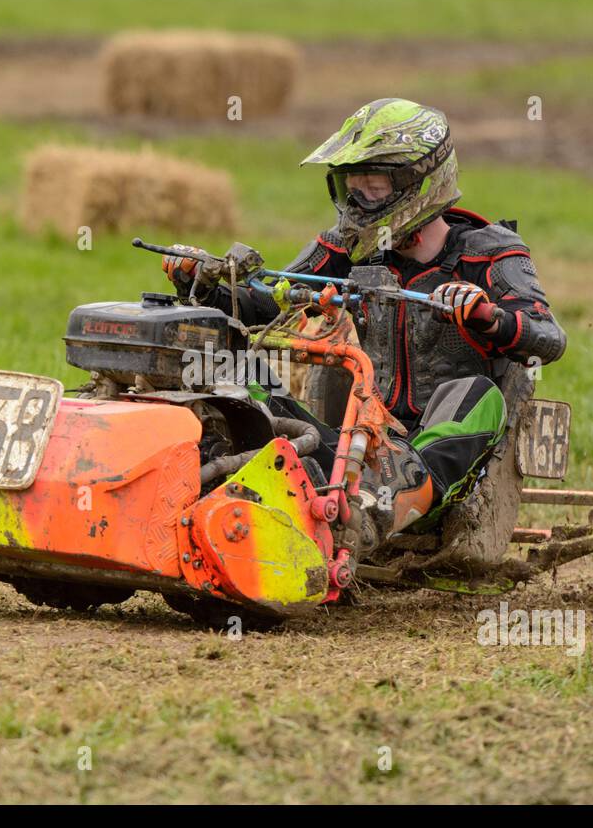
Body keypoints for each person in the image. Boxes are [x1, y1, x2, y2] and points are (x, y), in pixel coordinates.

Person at [163, 98, 566, 530]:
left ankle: (384, 501)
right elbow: (268, 305)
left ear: (420, 183)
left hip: (448, 469)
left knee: (475, 391)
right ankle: (243, 484)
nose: (357, 202)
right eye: (351, 187)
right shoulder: (344, 249)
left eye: (372, 188)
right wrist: (202, 283)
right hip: (355, 446)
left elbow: (548, 337)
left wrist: (488, 317)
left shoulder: (491, 253)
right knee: (234, 370)